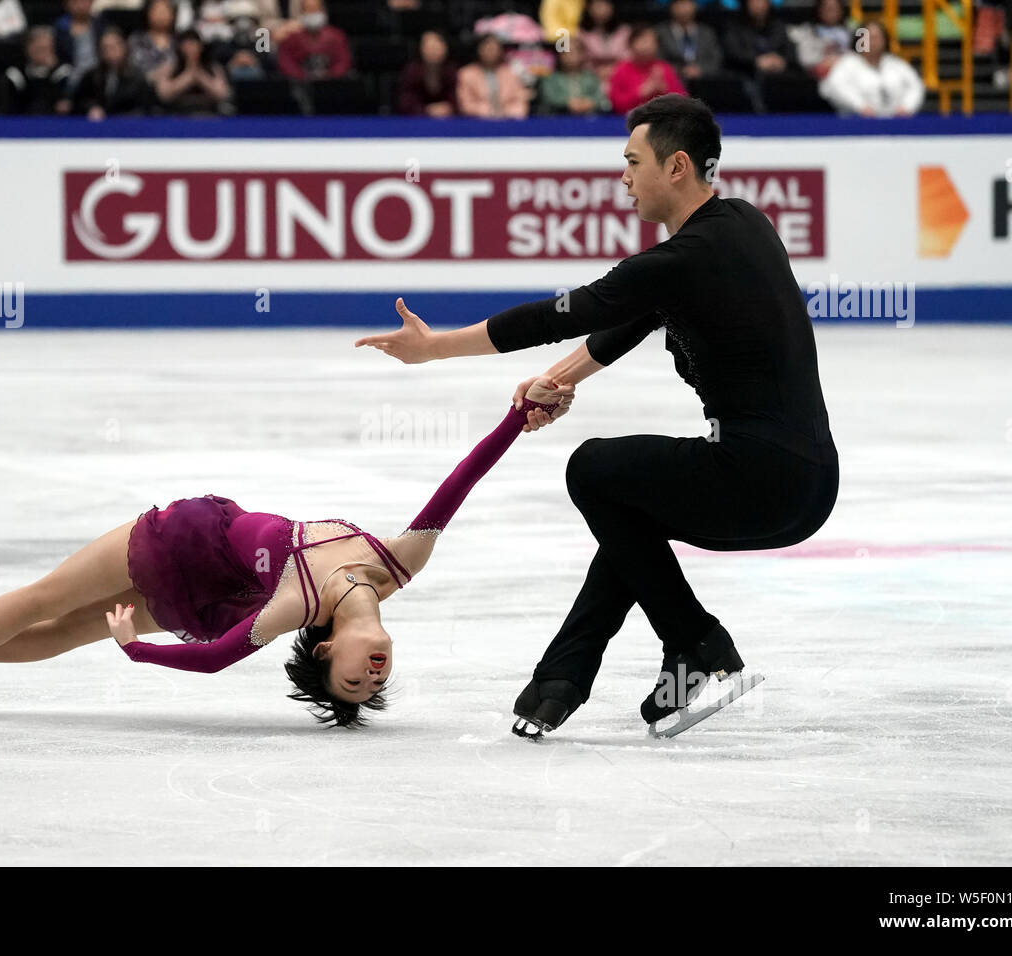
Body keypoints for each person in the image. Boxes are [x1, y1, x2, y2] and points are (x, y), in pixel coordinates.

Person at [355, 94, 838, 739]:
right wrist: (557, 382)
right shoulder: (744, 226)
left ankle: (698, 645)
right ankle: (566, 679)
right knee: (628, 513)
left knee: (594, 469)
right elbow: (631, 319)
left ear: (678, 167)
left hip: (758, 477)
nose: (624, 178)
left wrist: (436, 347)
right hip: (809, 485)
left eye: (633, 161)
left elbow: (571, 312)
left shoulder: (681, 258)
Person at [0, 383, 570, 728]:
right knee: (54, 610)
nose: (373, 677)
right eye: (373, 686)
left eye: (355, 686)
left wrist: (131, 649)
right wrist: (518, 416)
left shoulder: (300, 605)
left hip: (193, 563)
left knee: (58, 613)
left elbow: (211, 660)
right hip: (200, 551)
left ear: (326, 654)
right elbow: (461, 481)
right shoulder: (400, 565)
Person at [818, 19, 925, 116]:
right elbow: (836, 87)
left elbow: (916, 85)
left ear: (884, 40)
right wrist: (860, 106)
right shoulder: (847, 63)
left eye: (876, 38)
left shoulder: (896, 64)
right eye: (867, 38)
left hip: (895, 124)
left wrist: (907, 107)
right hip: (855, 124)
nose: (872, 42)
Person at [72, 26, 155, 117]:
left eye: (114, 47)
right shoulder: (91, 76)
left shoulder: (137, 78)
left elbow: (145, 108)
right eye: (105, 48)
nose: (110, 52)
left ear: (124, 48)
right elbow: (79, 101)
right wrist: (91, 108)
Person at [608, 24, 686, 114]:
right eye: (642, 40)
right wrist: (641, 92)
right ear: (630, 44)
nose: (647, 45)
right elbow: (616, 104)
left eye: (651, 41)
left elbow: (683, 100)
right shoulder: (621, 70)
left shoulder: (665, 68)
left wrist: (664, 90)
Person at [154, 29, 232, 114]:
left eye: (194, 44)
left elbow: (222, 94)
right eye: (187, 45)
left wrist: (199, 75)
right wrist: (188, 75)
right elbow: (164, 95)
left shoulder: (213, 68)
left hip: (207, 113)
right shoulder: (170, 68)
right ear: (180, 47)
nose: (191, 49)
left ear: (201, 47)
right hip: (177, 114)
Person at [1, 26, 74, 113]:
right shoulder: (15, 74)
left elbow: (64, 103)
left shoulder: (64, 72)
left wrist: (50, 71)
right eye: (38, 49)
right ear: (27, 49)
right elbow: (9, 107)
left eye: (47, 49)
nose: (43, 53)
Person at [456, 34, 529, 118]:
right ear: (479, 49)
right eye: (487, 48)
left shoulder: (511, 73)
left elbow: (520, 101)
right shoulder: (466, 74)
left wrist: (506, 112)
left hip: (508, 120)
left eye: (494, 48)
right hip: (477, 121)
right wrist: (489, 111)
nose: (491, 52)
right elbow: (465, 105)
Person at [277, 0, 352, 80]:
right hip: (302, 84)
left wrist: (330, 75)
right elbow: (285, 62)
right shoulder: (291, 39)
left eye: (315, 9)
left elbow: (344, 61)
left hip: (332, 84)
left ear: (323, 11)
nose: (312, 14)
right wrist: (301, 75)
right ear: (301, 13)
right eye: (307, 10)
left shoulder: (337, 36)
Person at [537, 35, 610, 114]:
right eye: (565, 52)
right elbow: (548, 97)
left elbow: (600, 97)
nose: (569, 56)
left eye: (573, 52)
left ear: (582, 55)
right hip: (560, 117)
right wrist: (567, 102)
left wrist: (590, 102)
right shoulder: (551, 78)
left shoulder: (590, 77)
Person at [656, 0, 724, 81]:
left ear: (694, 6)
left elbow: (716, 59)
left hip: (705, 80)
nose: (684, 8)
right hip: (673, 80)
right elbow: (658, 59)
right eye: (679, 4)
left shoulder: (707, 32)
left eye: (686, 3)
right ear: (671, 7)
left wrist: (700, 69)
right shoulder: (660, 32)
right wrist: (680, 70)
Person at [788, 0, 857, 80]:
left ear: (842, 11)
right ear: (819, 10)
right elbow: (805, 60)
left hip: (849, 75)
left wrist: (840, 61)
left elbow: (862, 59)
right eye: (827, 9)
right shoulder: (807, 32)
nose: (831, 13)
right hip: (819, 78)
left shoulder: (852, 32)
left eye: (834, 9)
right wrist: (824, 60)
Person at [396, 30, 458, 117]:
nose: (433, 52)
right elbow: (405, 103)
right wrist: (426, 110)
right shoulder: (412, 71)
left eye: (437, 47)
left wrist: (447, 108)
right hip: (416, 121)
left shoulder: (451, 71)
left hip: (447, 121)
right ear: (421, 49)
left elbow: (458, 100)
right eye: (429, 48)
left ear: (445, 49)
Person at [579, 0, 631, 82]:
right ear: (589, 8)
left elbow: (628, 57)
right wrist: (597, 72)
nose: (602, 10)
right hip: (591, 79)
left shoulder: (625, 31)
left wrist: (612, 70)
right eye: (598, 6)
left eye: (605, 5)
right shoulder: (581, 33)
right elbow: (580, 60)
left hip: (621, 77)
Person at [129, 0, 179, 85]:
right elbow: (136, 69)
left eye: (165, 10)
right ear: (148, 13)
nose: (161, 15)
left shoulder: (180, 40)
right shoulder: (137, 40)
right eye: (157, 11)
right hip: (143, 88)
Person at [55, 0, 102, 87]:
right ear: (66, 5)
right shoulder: (60, 27)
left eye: (84, 1)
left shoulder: (100, 24)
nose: (80, 6)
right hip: (70, 74)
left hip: (98, 73)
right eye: (75, 2)